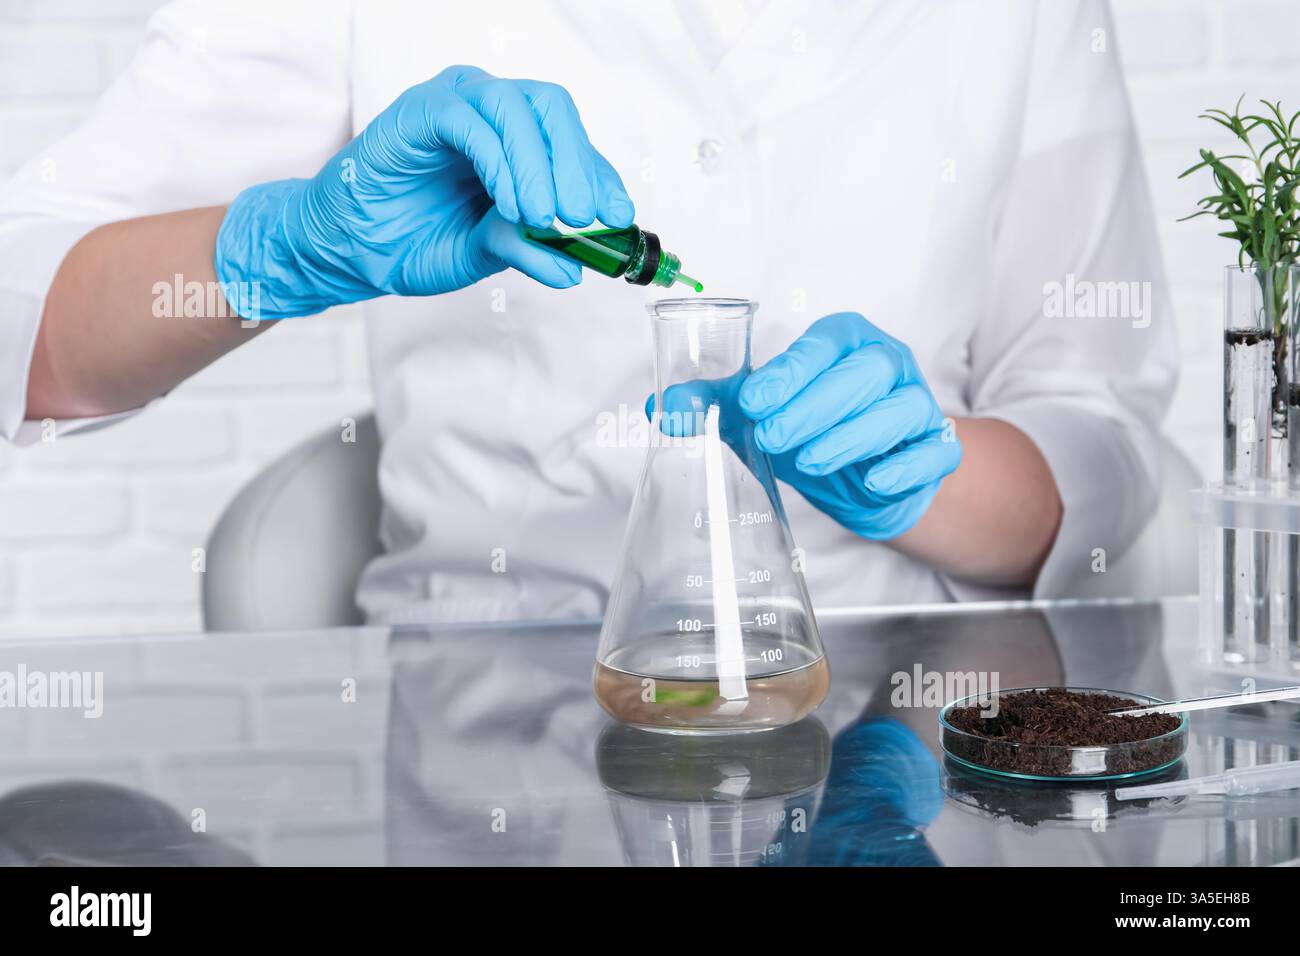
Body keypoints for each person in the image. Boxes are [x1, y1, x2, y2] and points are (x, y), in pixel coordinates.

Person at [0, 0, 1175, 624]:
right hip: (485, 717)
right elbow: (24, 328)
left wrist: (924, 475)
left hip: (896, 721)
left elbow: (1099, 431)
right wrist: (286, 246)